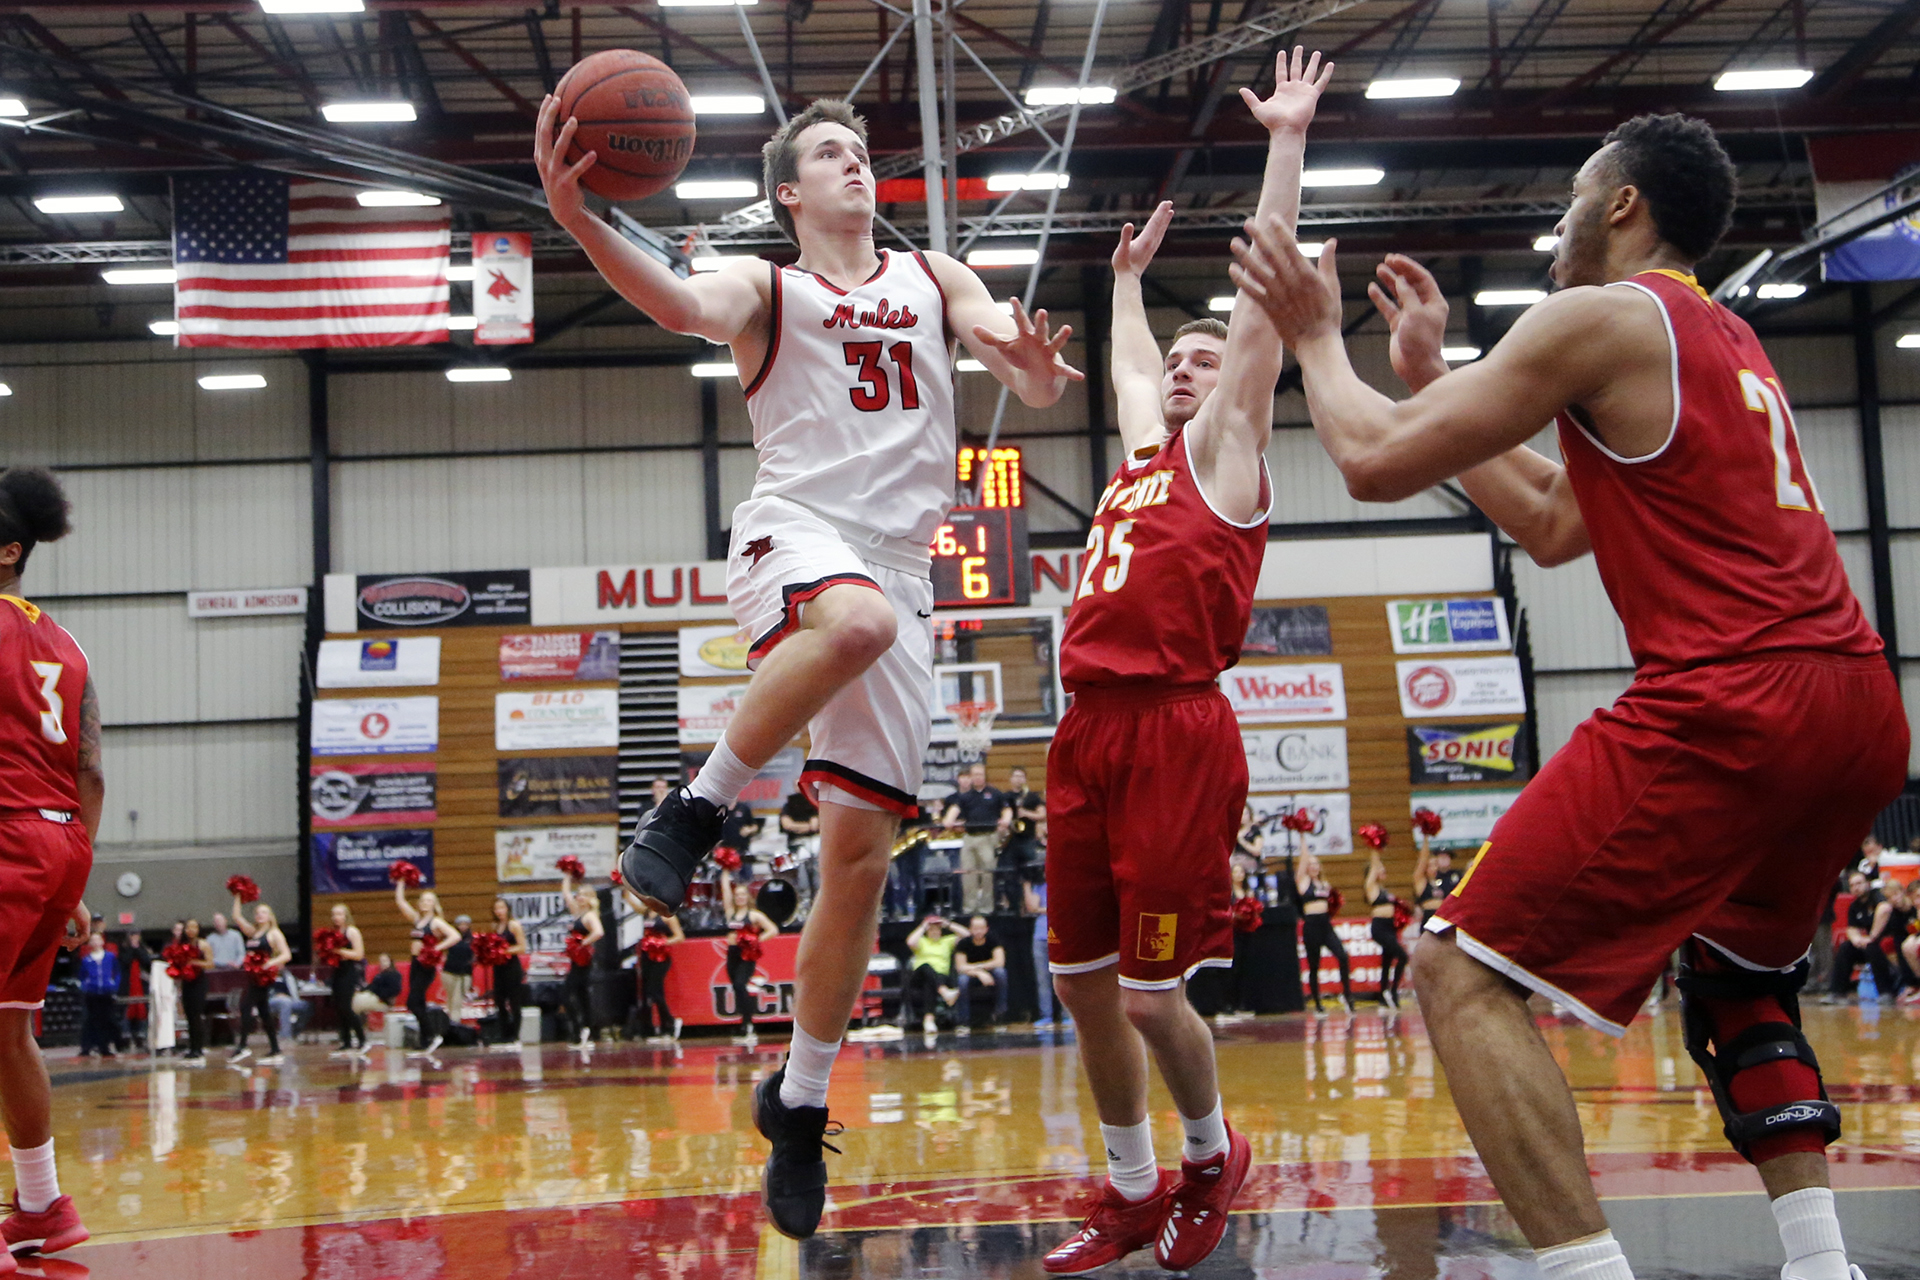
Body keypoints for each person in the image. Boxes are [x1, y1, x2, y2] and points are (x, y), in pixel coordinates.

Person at [1230, 111, 1907, 1280]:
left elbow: (1373, 461)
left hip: (1732, 692)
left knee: (1452, 967)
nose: (1557, 230)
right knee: (1742, 983)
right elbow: (1550, 524)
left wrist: (1313, 339)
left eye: (1576, 200)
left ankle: (1585, 1272)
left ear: (1625, 206)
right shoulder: (1721, 340)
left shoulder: (1595, 315)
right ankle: (1820, 1263)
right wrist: (1439, 376)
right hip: (1856, 701)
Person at [540, 89, 1080, 1240]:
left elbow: (1022, 376)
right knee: (859, 625)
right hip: (795, 530)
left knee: (860, 863)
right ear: (789, 191)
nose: (855, 162)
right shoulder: (765, 284)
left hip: (900, 561)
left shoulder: (935, 277)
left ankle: (796, 1099)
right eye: (831, 153)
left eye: (862, 151)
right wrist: (582, 221)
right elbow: (682, 301)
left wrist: (1031, 369)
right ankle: (695, 806)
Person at [1039, 51, 1328, 1276]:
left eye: (1205, 358)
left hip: (1172, 727)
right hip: (1086, 727)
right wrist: (1123, 287)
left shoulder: (1230, 450)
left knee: (1157, 994)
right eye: (1181, 357)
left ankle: (1211, 1155)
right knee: (1085, 985)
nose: (1186, 366)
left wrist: (1287, 143)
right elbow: (1125, 370)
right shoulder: (1142, 459)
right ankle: (1127, 1184)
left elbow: (1257, 316)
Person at [0, 465, 99, 1263]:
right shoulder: (69, 645)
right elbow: (90, 768)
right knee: (11, 1031)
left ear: (8, 550)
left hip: (5, 835)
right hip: (62, 839)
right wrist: (76, 880)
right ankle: (40, 1206)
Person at [393, 883, 458, 1056]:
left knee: (412, 1002)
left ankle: (431, 1035)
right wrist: (401, 882)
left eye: (429, 900)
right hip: (414, 963)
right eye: (423, 900)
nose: (425, 902)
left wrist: (436, 948)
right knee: (418, 1002)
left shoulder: (436, 921)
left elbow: (455, 936)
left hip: (426, 965)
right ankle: (424, 1041)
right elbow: (400, 901)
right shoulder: (417, 919)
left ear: (434, 904)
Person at [227, 896, 292, 1066]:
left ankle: (242, 1046)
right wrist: (237, 897)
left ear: (270, 916)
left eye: (263, 912)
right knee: (264, 1012)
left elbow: (287, 955)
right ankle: (276, 1049)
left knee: (245, 1005)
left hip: (264, 977)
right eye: (257, 912)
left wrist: (270, 962)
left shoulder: (274, 933)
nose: (259, 915)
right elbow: (236, 917)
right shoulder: (254, 932)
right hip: (253, 976)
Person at [942, 764, 1010, 916]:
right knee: (968, 875)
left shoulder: (994, 793)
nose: (978, 777)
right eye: (975, 774)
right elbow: (955, 809)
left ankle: (987, 909)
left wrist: (1005, 820)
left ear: (985, 775)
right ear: (971, 777)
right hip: (969, 838)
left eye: (981, 774)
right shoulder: (965, 796)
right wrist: (949, 819)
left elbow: (1006, 809)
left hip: (988, 837)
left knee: (987, 875)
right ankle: (969, 909)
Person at [1295, 853, 1353, 1016]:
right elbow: (1301, 863)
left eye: (1316, 864)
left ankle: (1348, 996)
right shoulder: (1304, 882)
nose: (1313, 867)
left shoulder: (1324, 884)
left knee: (1342, 956)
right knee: (1314, 966)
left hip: (1325, 925)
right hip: (1311, 925)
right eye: (1310, 864)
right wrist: (1302, 837)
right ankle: (1318, 1003)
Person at [1826, 871, 1894, 1004]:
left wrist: (1872, 936)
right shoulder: (1854, 905)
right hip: (1869, 943)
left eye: (1859, 883)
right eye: (1852, 885)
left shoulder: (1876, 896)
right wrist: (1856, 939)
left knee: (1872, 949)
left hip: (1886, 940)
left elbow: (1884, 909)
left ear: (1867, 884)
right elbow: (1851, 928)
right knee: (1846, 948)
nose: (1856, 887)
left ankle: (1886, 993)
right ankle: (1837, 992)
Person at [723, 883, 778, 1048]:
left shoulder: (754, 915)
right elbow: (725, 891)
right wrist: (725, 872)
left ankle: (749, 1025)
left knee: (740, 985)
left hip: (747, 955)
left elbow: (773, 930)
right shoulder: (731, 913)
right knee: (736, 988)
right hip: (732, 954)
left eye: (742, 894)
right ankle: (743, 1025)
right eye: (737, 895)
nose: (740, 897)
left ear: (748, 897)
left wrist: (754, 940)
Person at [560, 869, 605, 1050]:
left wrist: (582, 943)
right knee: (582, 996)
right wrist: (567, 875)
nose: (579, 898)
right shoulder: (578, 913)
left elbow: (599, 932)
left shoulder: (590, 915)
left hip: (584, 962)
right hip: (576, 961)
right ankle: (588, 1032)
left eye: (584, 896)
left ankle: (580, 1032)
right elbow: (565, 894)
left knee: (567, 995)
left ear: (591, 899)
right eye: (579, 895)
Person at [631, 899, 685, 1044]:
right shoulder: (646, 912)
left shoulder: (668, 915)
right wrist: (623, 883)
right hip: (647, 956)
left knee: (654, 992)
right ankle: (660, 1029)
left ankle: (671, 1022)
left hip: (661, 957)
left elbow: (680, 937)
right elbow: (631, 901)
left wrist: (661, 942)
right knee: (650, 993)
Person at [902, 914, 961, 1035]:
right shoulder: (922, 941)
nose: (934, 932)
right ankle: (944, 992)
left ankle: (929, 1021)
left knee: (930, 983)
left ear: (940, 931)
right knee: (927, 966)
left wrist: (947, 924)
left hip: (939, 977)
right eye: (931, 929)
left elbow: (966, 935)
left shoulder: (946, 941)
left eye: (937, 929)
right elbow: (910, 941)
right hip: (918, 975)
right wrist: (923, 926)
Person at [1366, 850, 1409, 1009]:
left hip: (1390, 927)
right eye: (1380, 868)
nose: (1383, 871)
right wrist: (1375, 850)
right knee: (1403, 956)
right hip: (1380, 927)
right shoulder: (1371, 887)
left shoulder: (1384, 889)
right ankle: (1393, 992)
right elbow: (1373, 866)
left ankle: (1383, 995)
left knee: (1387, 961)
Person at [324, 904, 368, 1057]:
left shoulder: (352, 931)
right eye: (334, 914)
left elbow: (359, 954)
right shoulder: (333, 933)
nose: (336, 917)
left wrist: (338, 951)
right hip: (338, 970)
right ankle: (346, 1041)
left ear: (346, 916)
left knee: (346, 1006)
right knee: (338, 1006)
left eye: (339, 914)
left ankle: (362, 1039)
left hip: (350, 971)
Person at [485, 898, 529, 1050]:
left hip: (512, 968)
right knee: (499, 1001)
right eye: (496, 908)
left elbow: (522, 947)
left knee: (514, 1002)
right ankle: (505, 1033)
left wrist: (504, 951)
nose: (499, 911)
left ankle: (515, 1036)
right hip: (499, 968)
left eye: (502, 908)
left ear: (507, 909)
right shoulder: (495, 926)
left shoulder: (514, 925)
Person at [953, 914, 1008, 1029]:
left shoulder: (993, 939)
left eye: (981, 928)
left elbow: (999, 962)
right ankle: (963, 1021)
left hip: (990, 973)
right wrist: (980, 973)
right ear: (970, 929)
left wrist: (979, 967)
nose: (978, 931)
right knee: (962, 980)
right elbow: (960, 967)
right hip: (971, 975)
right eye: (975, 928)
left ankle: (999, 1016)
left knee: (1001, 973)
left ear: (986, 929)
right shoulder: (963, 943)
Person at [174, 920, 214, 1065]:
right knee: (189, 1015)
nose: (191, 930)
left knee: (197, 1015)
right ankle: (192, 1048)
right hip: (187, 982)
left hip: (199, 982)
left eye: (194, 927)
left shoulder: (203, 944)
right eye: (188, 928)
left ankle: (199, 1048)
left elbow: (210, 963)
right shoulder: (181, 945)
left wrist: (194, 962)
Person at [77, 934, 118, 1060]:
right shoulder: (86, 959)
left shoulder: (110, 957)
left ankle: (105, 1047)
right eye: (92, 940)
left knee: (106, 1020)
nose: (95, 942)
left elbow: (117, 973)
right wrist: (86, 986)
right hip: (92, 993)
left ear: (102, 942)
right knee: (90, 1020)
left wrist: (113, 985)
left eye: (97, 940)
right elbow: (82, 976)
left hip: (106, 992)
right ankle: (87, 1047)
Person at [1002, 767, 1045, 881]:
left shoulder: (1032, 796)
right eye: (1016, 776)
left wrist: (1025, 813)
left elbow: (1042, 815)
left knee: (1032, 872)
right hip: (1010, 840)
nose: (1018, 779)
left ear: (1025, 779)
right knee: (1008, 874)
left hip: (1028, 839)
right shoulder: (1005, 796)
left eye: (1021, 777)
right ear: (1010, 779)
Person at [441, 914, 476, 1032]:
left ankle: (454, 1027)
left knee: (457, 1001)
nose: (463, 926)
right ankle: (448, 1026)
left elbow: (475, 956)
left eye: (465, 924)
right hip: (449, 972)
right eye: (460, 924)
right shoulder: (450, 936)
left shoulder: (473, 939)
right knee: (450, 1000)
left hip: (464, 974)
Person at [1413, 845, 1459, 922]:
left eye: (1435, 865)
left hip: (1445, 918)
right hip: (1428, 919)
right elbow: (1421, 863)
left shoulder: (1447, 880)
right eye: (1430, 866)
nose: (1434, 868)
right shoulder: (1422, 882)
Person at [352, 955, 403, 1025]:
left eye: (385, 961)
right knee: (354, 998)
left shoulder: (394, 974)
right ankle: (358, 1025)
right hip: (373, 996)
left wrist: (380, 996)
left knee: (357, 1001)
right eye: (381, 961)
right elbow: (372, 986)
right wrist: (361, 990)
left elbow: (395, 990)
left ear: (390, 962)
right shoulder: (380, 975)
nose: (383, 963)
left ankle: (356, 1027)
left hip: (383, 1001)